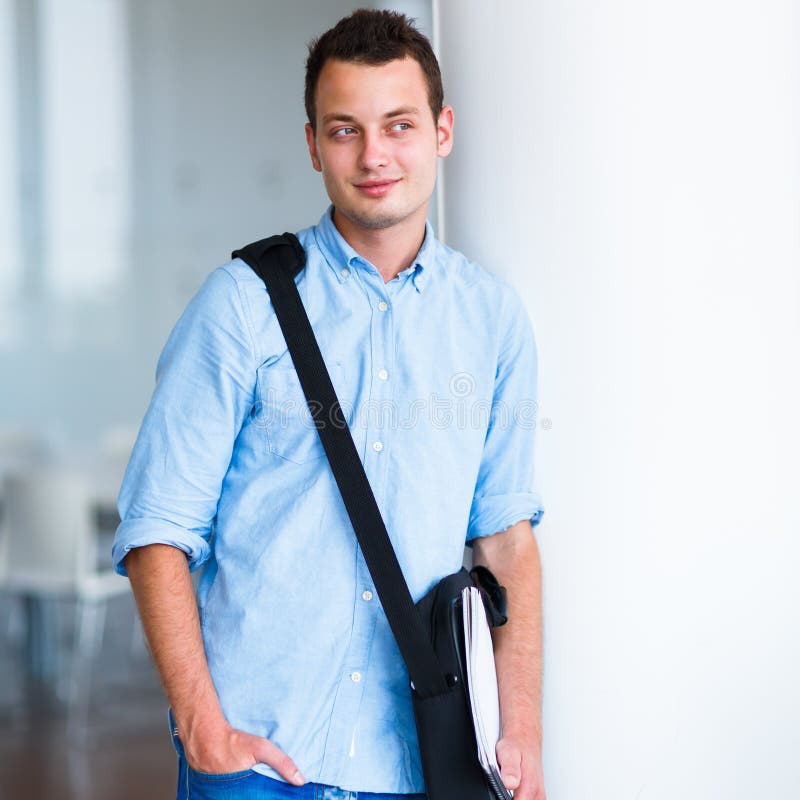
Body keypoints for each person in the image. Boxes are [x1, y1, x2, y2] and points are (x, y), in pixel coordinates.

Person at [113, 9, 546, 800]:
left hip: (418, 764)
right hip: (256, 760)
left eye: (399, 125)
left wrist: (521, 736)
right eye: (344, 130)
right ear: (313, 145)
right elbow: (155, 530)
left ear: (442, 131)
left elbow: (506, 543)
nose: (374, 154)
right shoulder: (241, 306)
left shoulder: (492, 320)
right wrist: (203, 726)